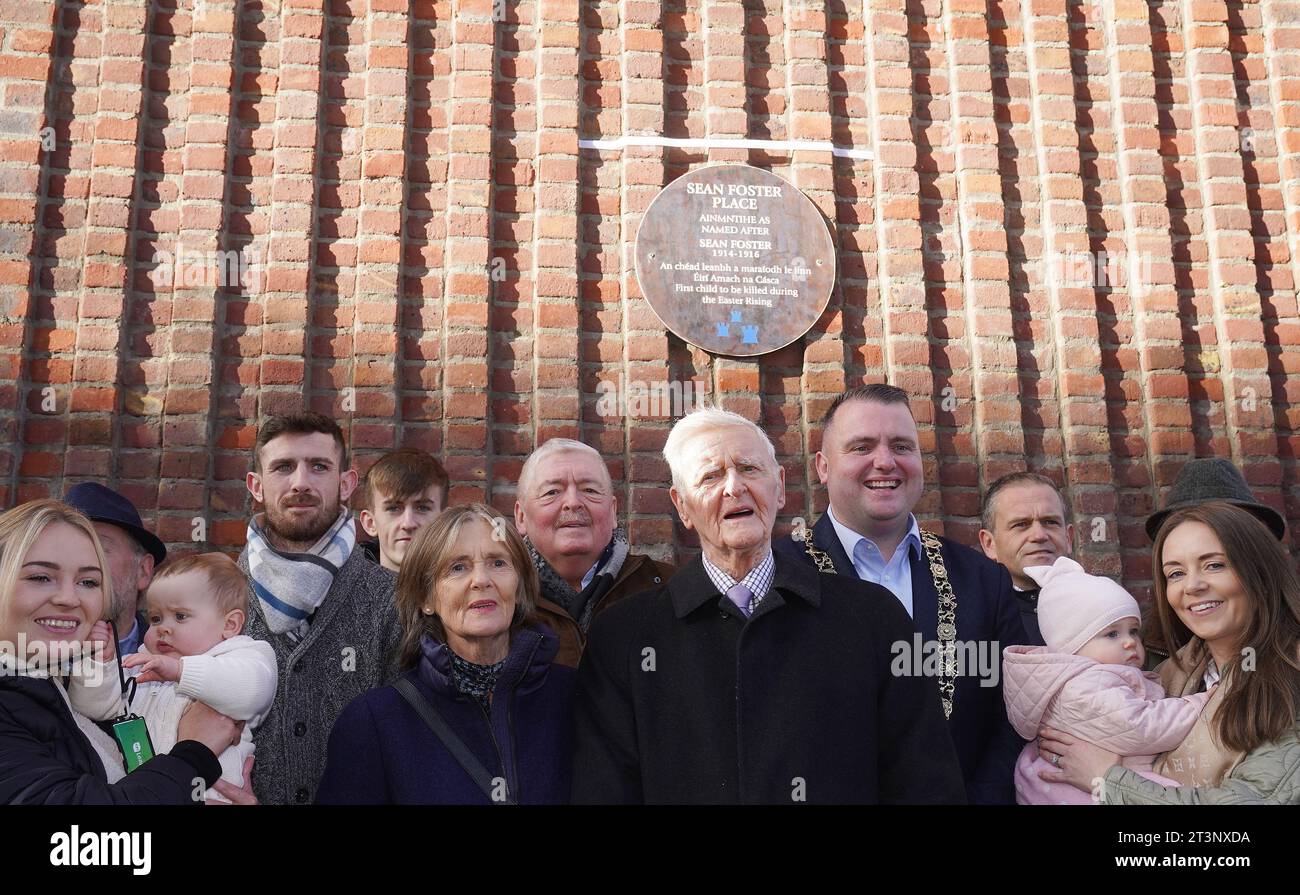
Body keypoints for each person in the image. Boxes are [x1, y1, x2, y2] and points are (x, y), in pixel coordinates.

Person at [572, 407, 966, 804]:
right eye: (710, 476)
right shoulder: (624, 636)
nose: (734, 487)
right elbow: (604, 789)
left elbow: (924, 781)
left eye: (748, 469)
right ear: (683, 506)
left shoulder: (873, 618)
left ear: (779, 487)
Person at [773, 384, 1028, 804]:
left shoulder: (983, 581)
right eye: (861, 447)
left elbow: (1015, 719)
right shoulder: (779, 577)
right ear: (822, 466)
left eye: (901, 446)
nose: (885, 462)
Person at [1039, 502, 1300, 804]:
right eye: (1175, 573)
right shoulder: (1163, 678)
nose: (1192, 585)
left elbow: (1253, 800)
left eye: (1214, 565)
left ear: (1261, 575)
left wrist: (1107, 780)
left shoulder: (1290, 671)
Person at [316, 504, 574, 804]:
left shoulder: (575, 699)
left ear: (518, 588)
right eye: (458, 567)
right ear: (426, 598)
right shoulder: (376, 722)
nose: (481, 580)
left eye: (498, 563)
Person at [0, 500, 240, 804]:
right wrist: (195, 752)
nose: (68, 598)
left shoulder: (60, 684)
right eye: (40, 577)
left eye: (88, 581)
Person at [239, 411, 401, 804]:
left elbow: (412, 741)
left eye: (318, 467)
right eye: (283, 467)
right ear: (256, 486)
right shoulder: (219, 594)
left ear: (346, 483)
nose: (300, 483)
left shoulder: (394, 599)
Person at [69, 553, 276, 803]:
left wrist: (179, 670)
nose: (162, 628)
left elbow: (251, 692)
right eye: (155, 618)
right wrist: (97, 662)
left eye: (180, 616)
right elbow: (92, 709)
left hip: (213, 795)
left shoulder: (245, 654)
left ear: (230, 625)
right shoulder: (143, 664)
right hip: (147, 794)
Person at [1001, 556, 1210, 804]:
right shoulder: (1086, 685)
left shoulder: (1085, 678)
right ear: (1072, 647)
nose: (1130, 641)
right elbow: (1141, 726)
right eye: (1111, 634)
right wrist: (1199, 703)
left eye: (1133, 630)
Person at [514, 438, 675, 667]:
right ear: (521, 516)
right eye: (552, 492)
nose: (572, 502)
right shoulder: (500, 596)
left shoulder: (669, 589)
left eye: (589, 490)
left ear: (612, 511)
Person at [63, 482, 166, 658]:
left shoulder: (180, 664)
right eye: (63, 548)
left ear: (142, 570)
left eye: (99, 548)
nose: (78, 562)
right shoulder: (16, 658)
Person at [978, 472, 1074, 645]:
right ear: (990, 544)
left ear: (1068, 537)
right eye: (1021, 524)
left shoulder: (1105, 603)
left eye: (1050, 522)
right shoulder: (971, 620)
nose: (1039, 535)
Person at [356, 447, 450, 572]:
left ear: (444, 522)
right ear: (370, 523)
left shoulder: (472, 587)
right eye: (393, 508)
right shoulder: (338, 590)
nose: (408, 523)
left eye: (422, 508)